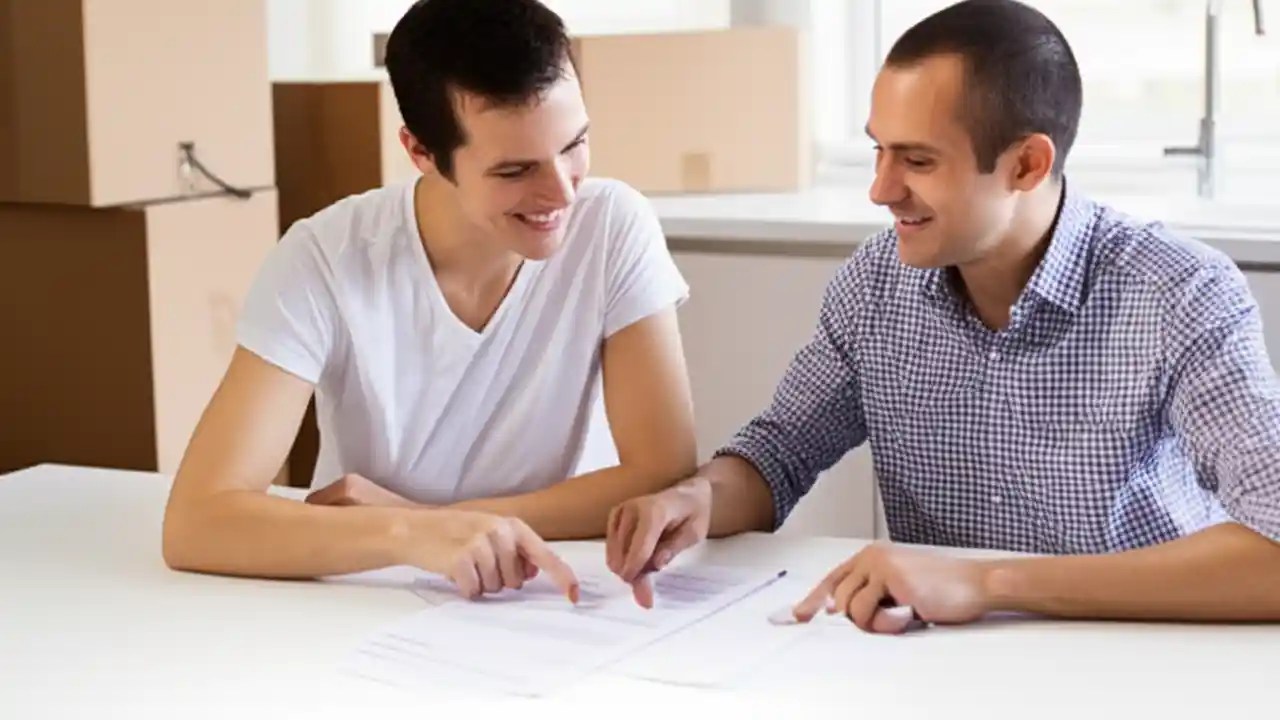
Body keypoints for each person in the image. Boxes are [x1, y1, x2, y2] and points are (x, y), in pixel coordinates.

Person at [605, 0, 1280, 629]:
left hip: (1143, 654)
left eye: (918, 160)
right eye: (877, 149)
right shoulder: (875, 283)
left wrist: (988, 582)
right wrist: (699, 498)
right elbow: (776, 457)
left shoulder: (1180, 293)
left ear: (1026, 164)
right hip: (934, 663)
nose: (880, 189)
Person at [162, 0, 697, 603]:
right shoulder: (327, 258)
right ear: (420, 152)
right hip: (369, 599)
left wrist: (436, 518)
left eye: (575, 144)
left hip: (560, 591)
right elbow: (197, 523)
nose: (562, 191)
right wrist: (406, 533)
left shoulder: (613, 226)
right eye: (515, 169)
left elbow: (665, 475)